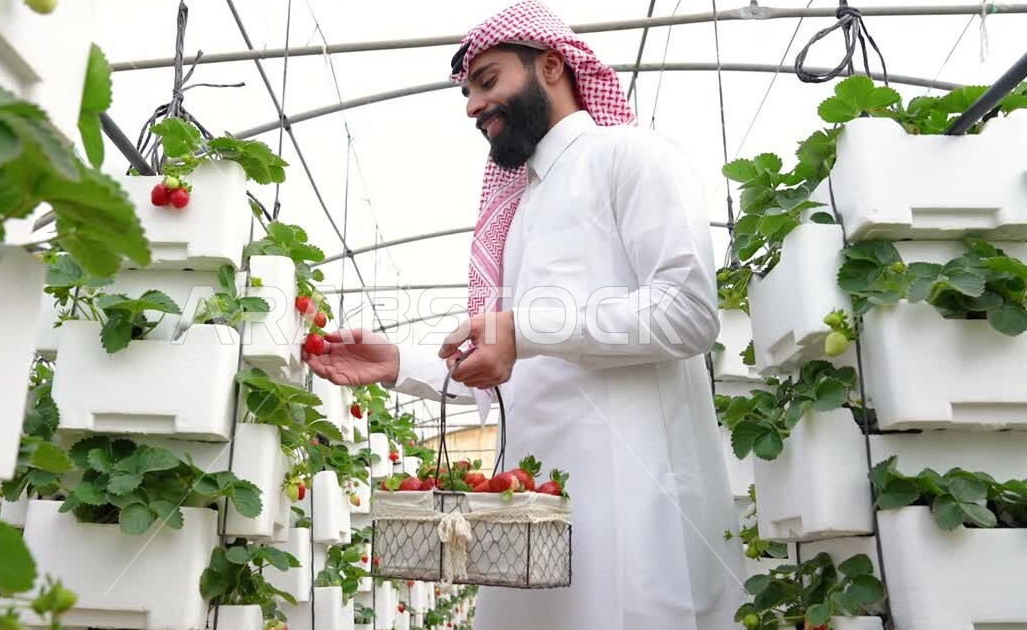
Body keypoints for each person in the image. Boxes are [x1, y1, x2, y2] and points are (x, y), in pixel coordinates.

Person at [304, 1, 745, 627]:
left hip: (632, 508)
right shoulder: (519, 208)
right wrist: (399, 364)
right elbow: (515, 365)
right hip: (527, 524)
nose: (472, 106)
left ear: (554, 67)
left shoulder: (631, 155)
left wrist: (524, 327)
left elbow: (689, 312)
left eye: (488, 81)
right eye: (466, 92)